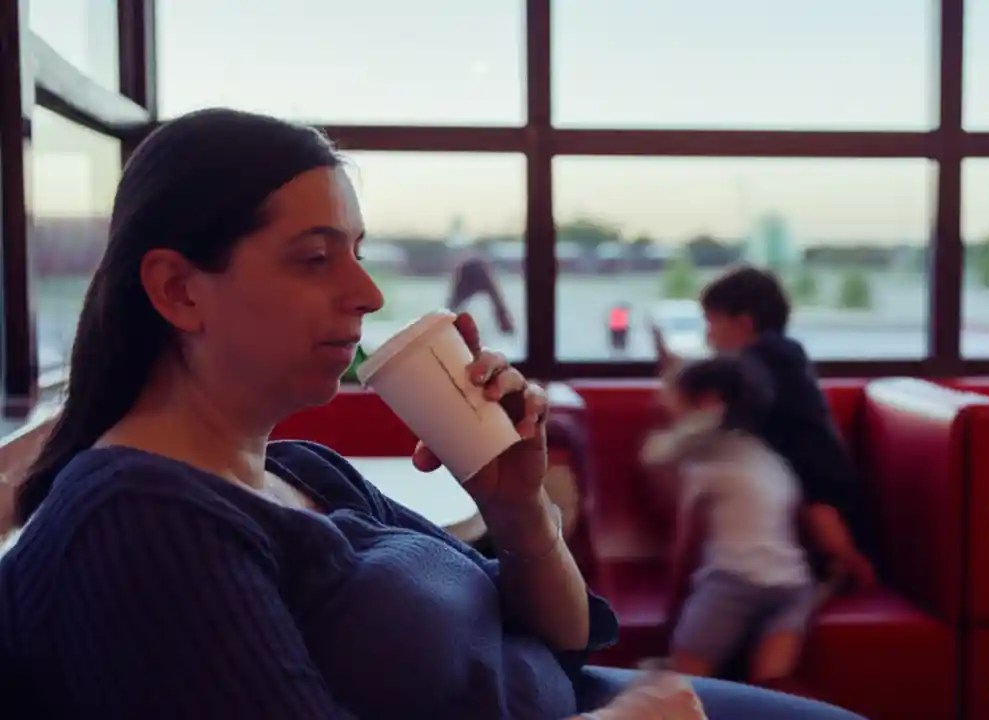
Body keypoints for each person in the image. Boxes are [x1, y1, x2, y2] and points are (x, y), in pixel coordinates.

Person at [0, 109, 861, 720]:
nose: (367, 293)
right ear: (179, 290)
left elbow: (560, 643)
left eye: (360, 254)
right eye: (315, 259)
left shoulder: (301, 469)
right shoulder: (142, 519)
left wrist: (515, 506)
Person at [654, 266, 877, 591]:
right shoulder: (781, 355)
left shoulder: (765, 358)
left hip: (817, 479)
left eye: (712, 323)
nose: (708, 336)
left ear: (743, 324)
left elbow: (718, 380)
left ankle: (853, 566)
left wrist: (678, 372)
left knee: (822, 517)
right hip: (802, 476)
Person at [641, 357, 816, 689]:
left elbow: (686, 541)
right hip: (793, 585)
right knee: (771, 685)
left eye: (676, 397)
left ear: (707, 403)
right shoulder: (770, 459)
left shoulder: (707, 463)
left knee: (683, 683)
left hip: (733, 583)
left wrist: (675, 607)